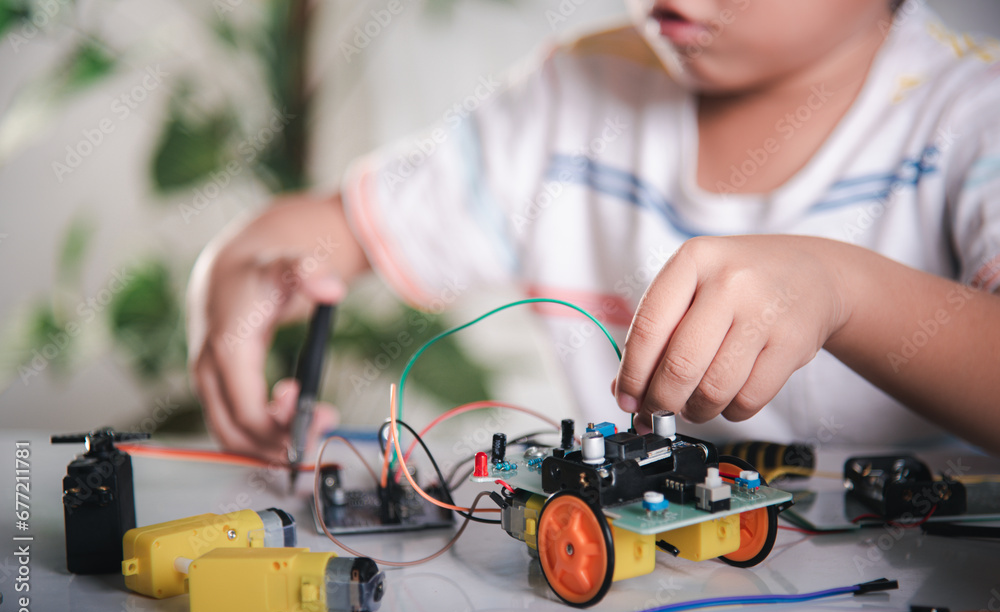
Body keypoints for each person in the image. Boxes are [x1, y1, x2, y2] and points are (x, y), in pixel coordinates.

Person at [186, 0, 1000, 463]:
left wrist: (844, 290)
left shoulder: (973, 115)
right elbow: (324, 235)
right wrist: (233, 273)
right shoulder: (569, 100)